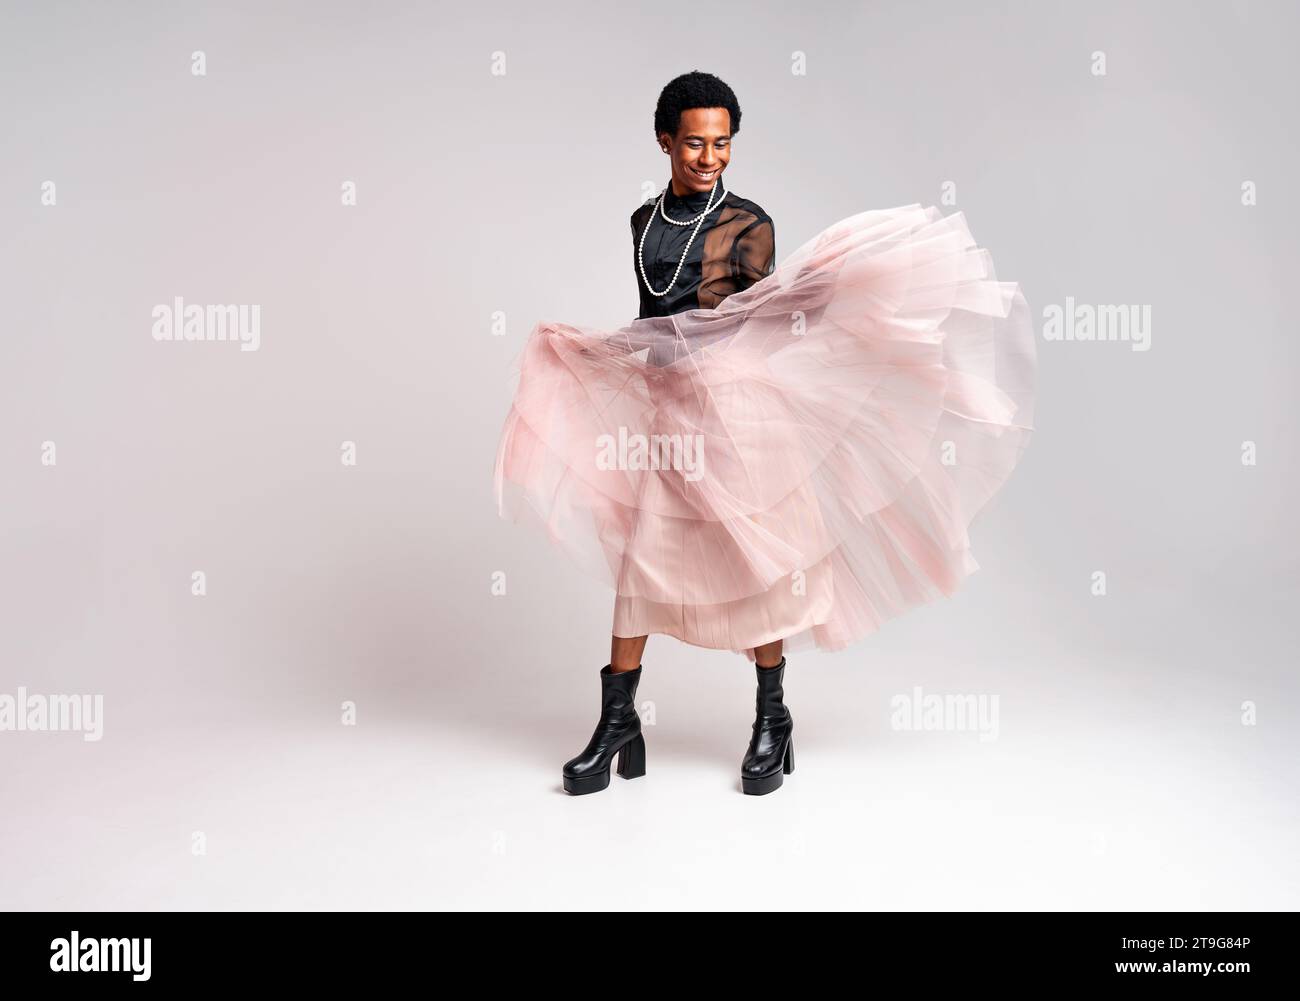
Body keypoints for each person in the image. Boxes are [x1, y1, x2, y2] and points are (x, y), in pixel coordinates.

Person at [493, 70, 1036, 796]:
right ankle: (619, 723)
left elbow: (756, 323)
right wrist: (600, 346)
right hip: (668, 419)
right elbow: (656, 315)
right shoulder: (641, 221)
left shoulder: (749, 224)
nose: (709, 157)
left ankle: (772, 721)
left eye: (721, 143)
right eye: (694, 143)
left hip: (737, 416)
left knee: (757, 564)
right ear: (665, 141)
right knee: (640, 569)